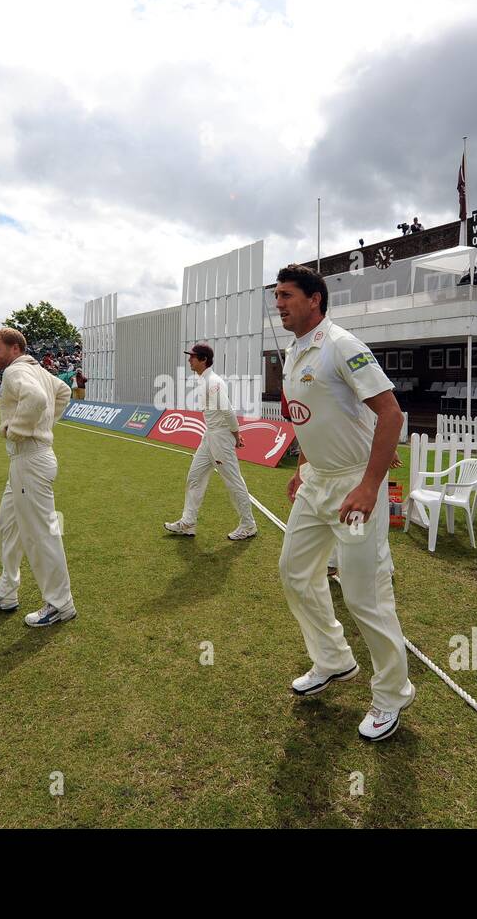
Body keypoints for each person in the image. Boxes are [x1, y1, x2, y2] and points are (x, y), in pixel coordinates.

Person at [273, 263, 414, 742]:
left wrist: (370, 485)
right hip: (317, 481)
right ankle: (334, 659)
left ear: (315, 299)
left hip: (355, 485)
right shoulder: (294, 352)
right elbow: (309, 418)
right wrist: (302, 466)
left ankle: (392, 695)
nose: (279, 304)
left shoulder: (343, 345)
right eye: (277, 296)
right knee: (294, 572)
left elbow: (390, 414)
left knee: (363, 594)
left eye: (287, 295)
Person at [0, 327, 77, 628]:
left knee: (40, 534)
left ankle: (60, 604)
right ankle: (7, 590)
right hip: (30, 459)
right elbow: (64, 392)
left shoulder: (16, 372)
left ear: (14, 349)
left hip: (29, 459)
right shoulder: (40, 371)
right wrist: (46, 425)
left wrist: (18, 429)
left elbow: (36, 399)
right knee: (6, 525)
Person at [164, 343, 258, 541]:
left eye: (193, 357)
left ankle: (248, 525)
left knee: (233, 481)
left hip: (221, 438)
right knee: (194, 477)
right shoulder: (204, 380)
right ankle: (188, 523)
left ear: (203, 359)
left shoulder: (212, 381)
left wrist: (236, 435)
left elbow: (228, 411)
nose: (189, 359)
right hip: (210, 436)